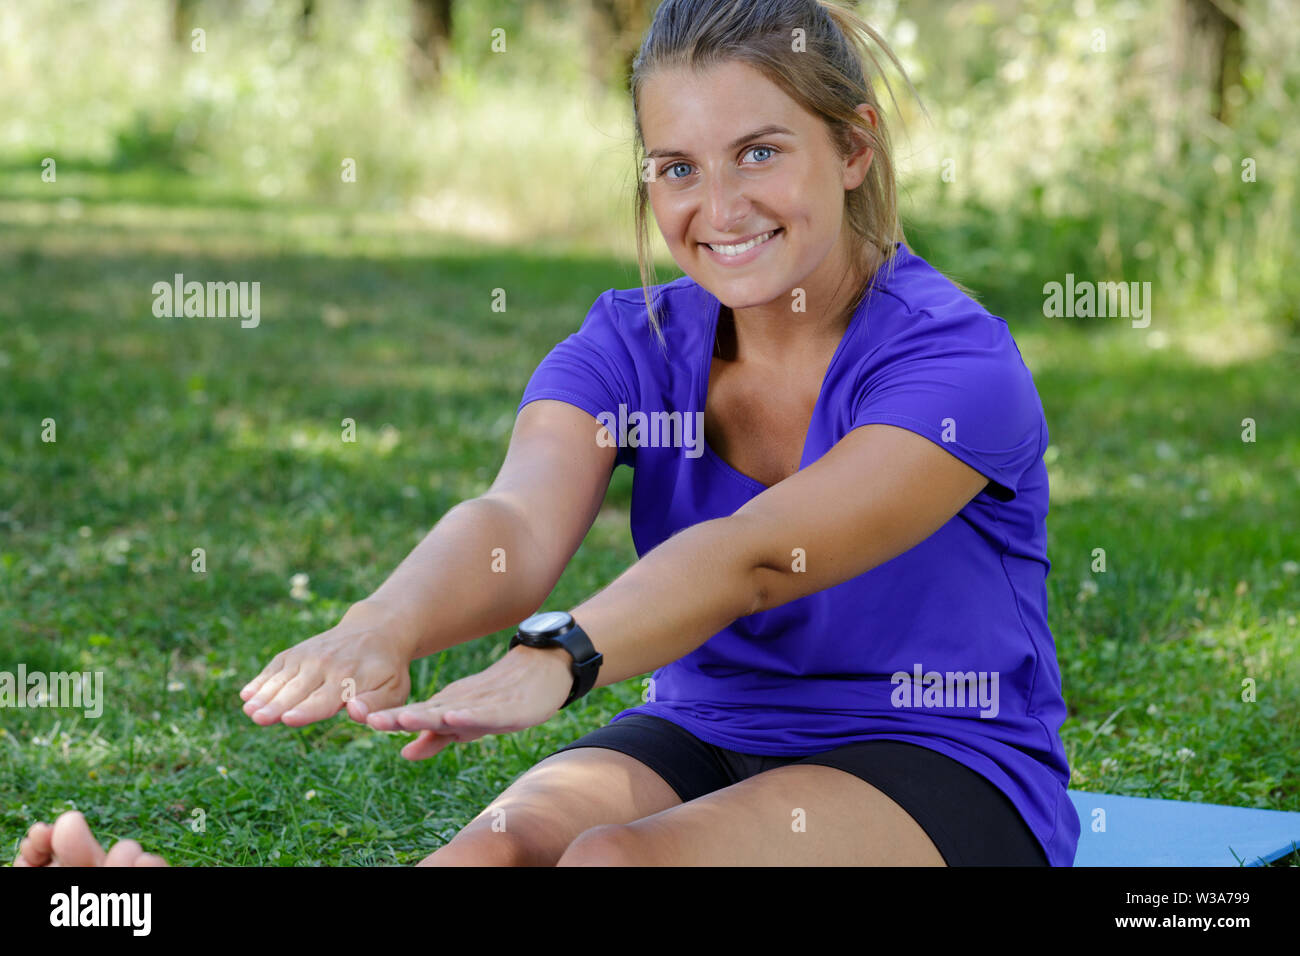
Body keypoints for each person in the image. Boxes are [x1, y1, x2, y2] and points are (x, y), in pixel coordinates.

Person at [14, 0, 1079, 868]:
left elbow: (755, 556)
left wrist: (561, 654)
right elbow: (515, 520)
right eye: (676, 166)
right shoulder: (635, 340)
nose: (718, 206)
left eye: (759, 152)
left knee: (615, 862)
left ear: (851, 150)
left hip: (939, 761)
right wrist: (382, 623)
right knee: (501, 849)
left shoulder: (953, 363)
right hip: (710, 729)